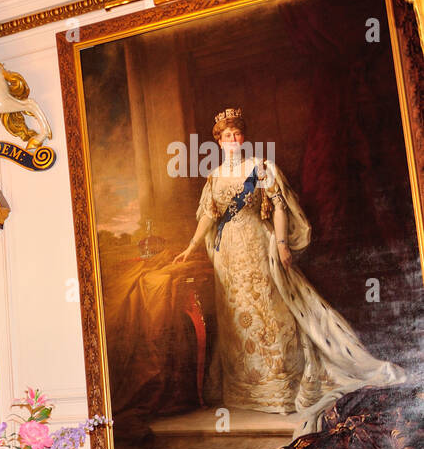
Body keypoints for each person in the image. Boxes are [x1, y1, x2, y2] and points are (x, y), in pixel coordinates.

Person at [172, 108, 403, 431]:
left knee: (270, 312)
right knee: (237, 318)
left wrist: (281, 244)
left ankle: (280, 389)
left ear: (244, 136)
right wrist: (192, 247)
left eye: (237, 134)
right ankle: (247, 392)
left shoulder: (261, 168)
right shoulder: (214, 176)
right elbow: (208, 217)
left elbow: (278, 208)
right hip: (228, 256)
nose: (233, 140)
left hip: (258, 247)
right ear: (219, 142)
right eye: (227, 136)